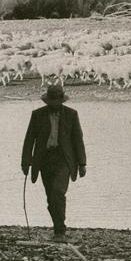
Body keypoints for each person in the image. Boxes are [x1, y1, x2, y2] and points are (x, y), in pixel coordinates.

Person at [21, 83, 86, 240]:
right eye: (51, 102)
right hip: (44, 160)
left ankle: (60, 231)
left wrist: (82, 163)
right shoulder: (37, 115)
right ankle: (57, 228)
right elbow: (29, 139)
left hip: (64, 160)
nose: (54, 105)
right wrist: (25, 162)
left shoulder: (72, 115)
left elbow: (78, 140)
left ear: (61, 101)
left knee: (58, 192)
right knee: (51, 197)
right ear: (48, 101)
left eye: (57, 101)